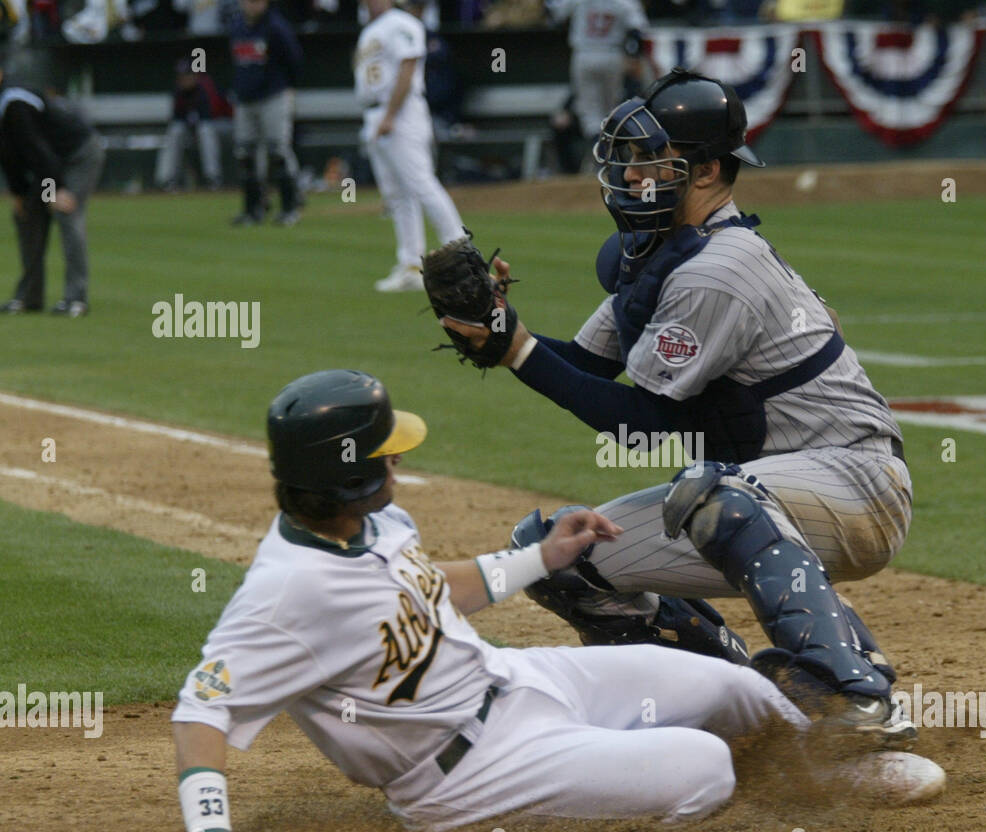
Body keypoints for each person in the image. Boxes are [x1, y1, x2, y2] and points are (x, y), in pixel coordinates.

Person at [152, 369, 831, 832]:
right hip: (467, 775)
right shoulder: (285, 596)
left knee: (733, 685)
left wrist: (542, 556)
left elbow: (430, 589)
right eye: (386, 448)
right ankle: (625, 815)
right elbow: (202, 708)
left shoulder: (376, 520)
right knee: (706, 765)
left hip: (519, 679)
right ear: (349, 474)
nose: (400, 456)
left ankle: (829, 773)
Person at [437, 69, 921, 746]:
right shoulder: (660, 258)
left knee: (712, 493)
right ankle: (736, 710)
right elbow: (584, 368)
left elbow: (641, 425)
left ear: (706, 172)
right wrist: (498, 334)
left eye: (649, 161)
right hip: (765, 495)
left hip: (857, 486)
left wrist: (518, 350)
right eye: (630, 161)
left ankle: (855, 698)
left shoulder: (717, 270)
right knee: (555, 557)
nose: (631, 176)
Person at [355, 0, 465, 292]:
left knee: (421, 183)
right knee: (397, 194)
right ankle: (410, 265)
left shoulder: (402, 23)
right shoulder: (371, 30)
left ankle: (462, 254)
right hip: (375, 112)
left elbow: (408, 65)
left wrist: (390, 114)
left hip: (401, 112)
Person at [0, 70, 104, 317]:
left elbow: (38, 150)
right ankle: (29, 297)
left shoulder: (15, 101)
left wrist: (58, 189)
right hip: (50, 164)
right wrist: (19, 193)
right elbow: (8, 153)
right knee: (27, 216)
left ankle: (75, 299)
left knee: (66, 213)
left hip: (78, 155)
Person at [228, 0, 303, 226]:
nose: (252, 5)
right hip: (245, 99)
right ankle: (253, 209)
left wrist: (286, 88)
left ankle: (290, 207)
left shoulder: (276, 27)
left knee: (278, 151)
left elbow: (294, 60)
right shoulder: (238, 26)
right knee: (245, 154)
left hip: (273, 96)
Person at [547, 0, 648, 146]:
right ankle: (611, 155)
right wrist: (633, 56)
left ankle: (601, 154)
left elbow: (554, 13)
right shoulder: (625, 2)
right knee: (611, 110)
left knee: (591, 113)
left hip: (584, 54)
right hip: (612, 54)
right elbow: (637, 31)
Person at [155, 58, 231, 191]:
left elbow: (208, 117)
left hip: (223, 125)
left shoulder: (205, 87)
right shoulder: (179, 92)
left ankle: (213, 178)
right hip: (196, 129)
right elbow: (177, 119)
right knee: (175, 131)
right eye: (182, 76)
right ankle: (166, 180)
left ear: (196, 75)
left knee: (205, 131)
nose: (184, 79)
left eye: (188, 75)